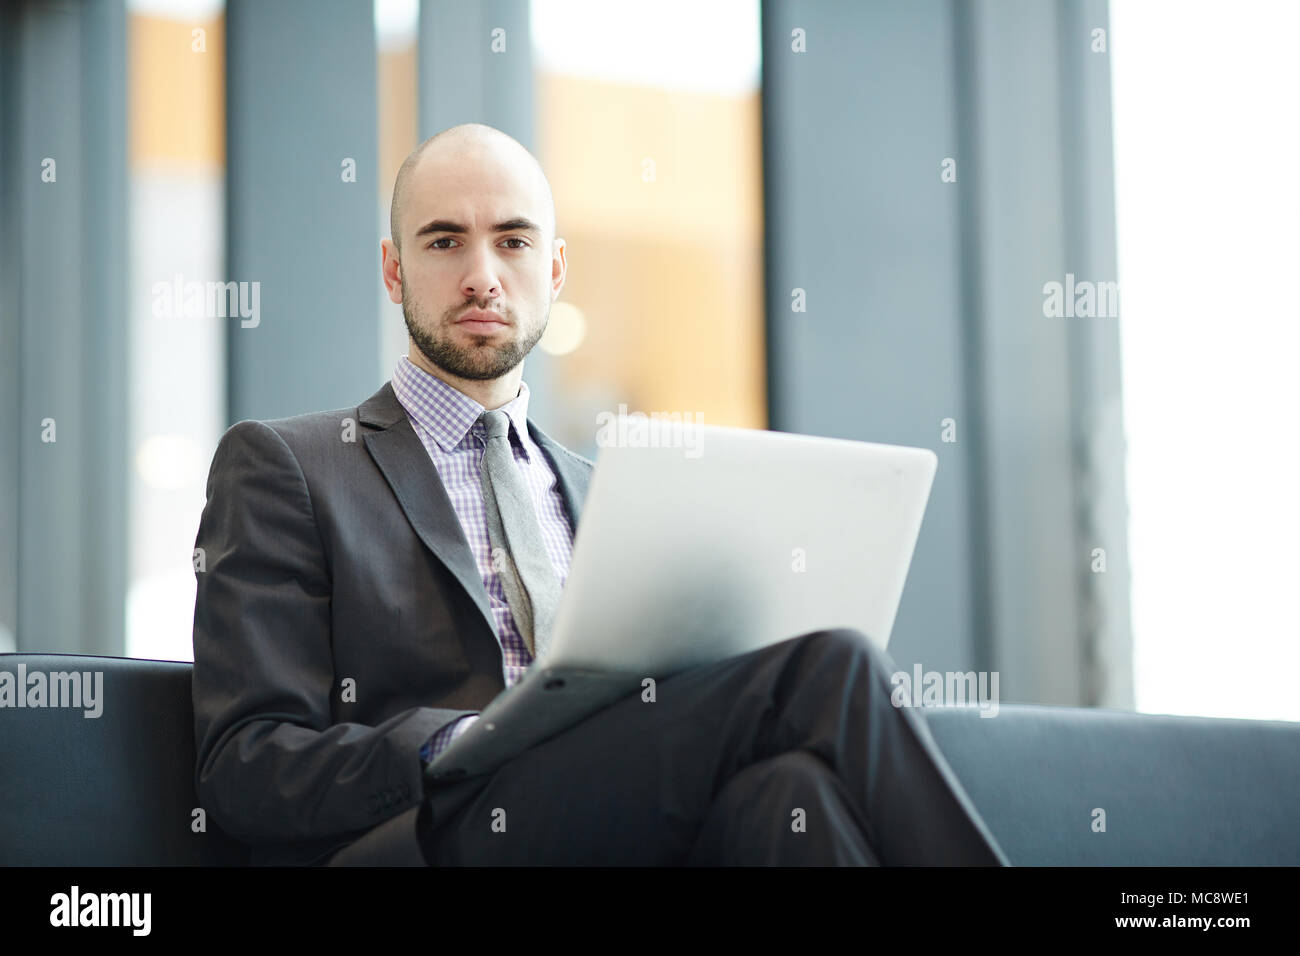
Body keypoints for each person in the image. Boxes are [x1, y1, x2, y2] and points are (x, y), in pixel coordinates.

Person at [191, 123, 1009, 867]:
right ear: (393, 268)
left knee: (791, 795)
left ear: (553, 270)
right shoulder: (288, 466)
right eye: (445, 242)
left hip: (619, 821)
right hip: (432, 837)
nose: (482, 277)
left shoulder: (613, 494)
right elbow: (245, 765)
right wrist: (457, 742)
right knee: (831, 665)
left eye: (512, 241)